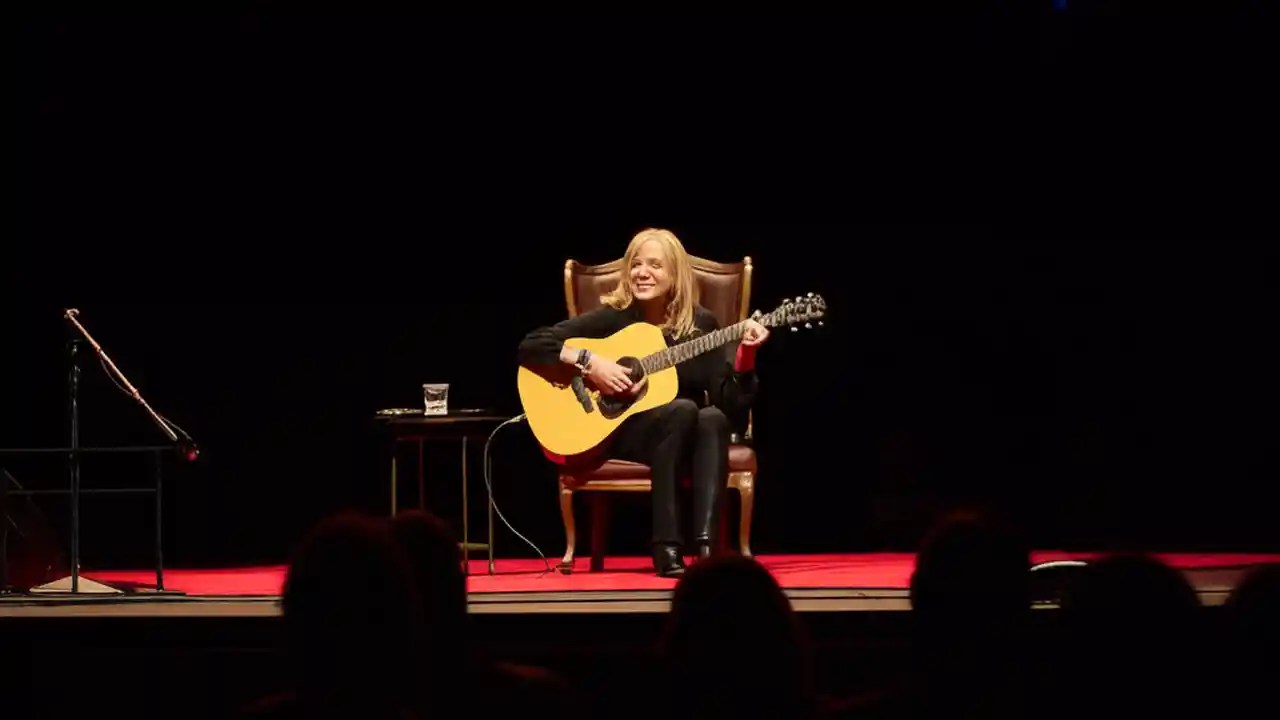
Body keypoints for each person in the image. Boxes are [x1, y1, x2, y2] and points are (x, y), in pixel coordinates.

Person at [517, 228, 769, 577]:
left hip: (688, 430)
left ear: (675, 274)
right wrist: (592, 363)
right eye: (636, 264)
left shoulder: (701, 326)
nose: (642, 272)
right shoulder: (616, 318)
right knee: (684, 410)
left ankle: (710, 551)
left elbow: (732, 408)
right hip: (621, 432)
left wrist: (746, 355)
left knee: (709, 416)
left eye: (655, 265)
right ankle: (666, 547)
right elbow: (532, 344)